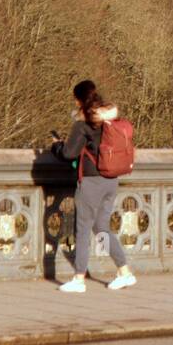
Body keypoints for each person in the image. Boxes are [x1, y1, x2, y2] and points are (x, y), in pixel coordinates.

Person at [51, 79, 136, 293]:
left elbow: (69, 153)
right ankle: (124, 272)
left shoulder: (83, 125)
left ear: (79, 100)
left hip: (91, 181)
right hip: (111, 179)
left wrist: (56, 147)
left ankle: (79, 279)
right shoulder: (109, 119)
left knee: (83, 229)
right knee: (102, 228)